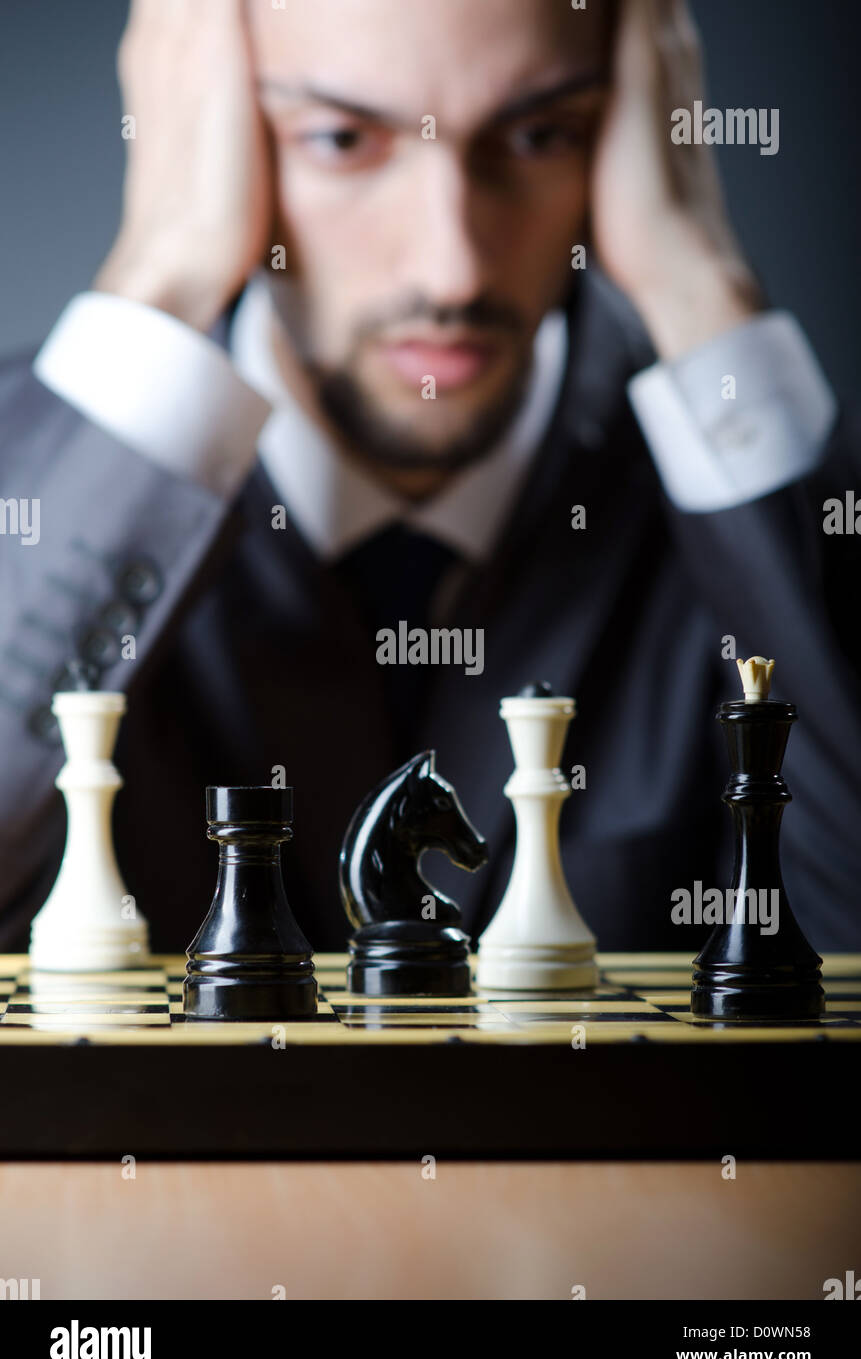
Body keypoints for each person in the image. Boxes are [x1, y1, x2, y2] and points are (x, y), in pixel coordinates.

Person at [0, 0, 858, 953]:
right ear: (196, 121)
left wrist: (700, 286)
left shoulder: (758, 500)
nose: (452, 270)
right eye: (339, 138)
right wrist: (160, 277)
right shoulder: (46, 497)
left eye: (537, 134)